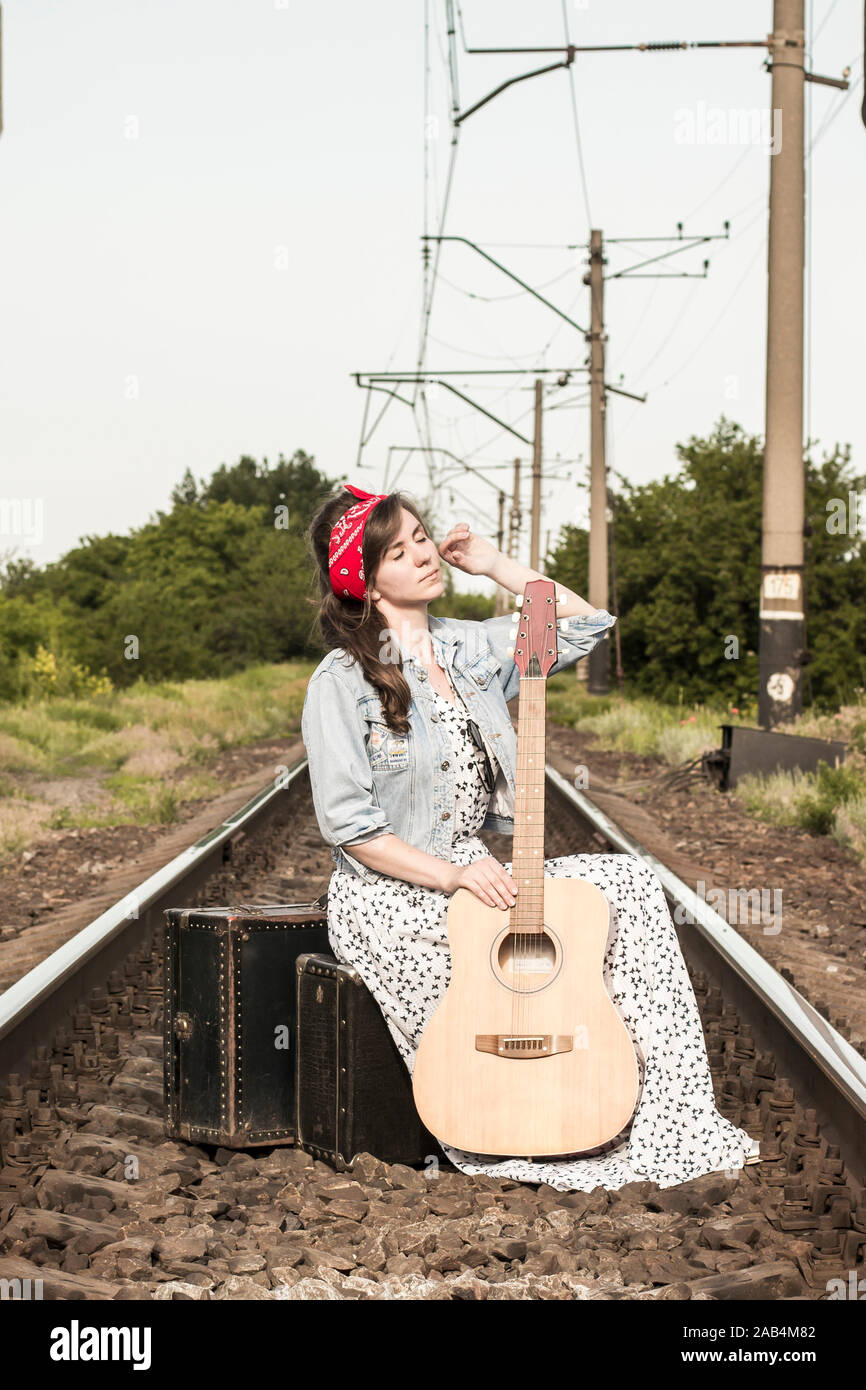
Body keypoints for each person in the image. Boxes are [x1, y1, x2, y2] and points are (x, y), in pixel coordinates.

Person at [300, 482, 761, 1192]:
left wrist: (495, 564)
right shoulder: (342, 680)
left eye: (423, 537)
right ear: (362, 580)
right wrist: (452, 876)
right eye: (399, 550)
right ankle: (510, 1103)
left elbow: (583, 623)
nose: (423, 554)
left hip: (476, 874)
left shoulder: (468, 646)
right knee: (506, 938)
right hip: (396, 893)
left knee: (632, 884)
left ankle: (669, 1118)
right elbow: (351, 828)